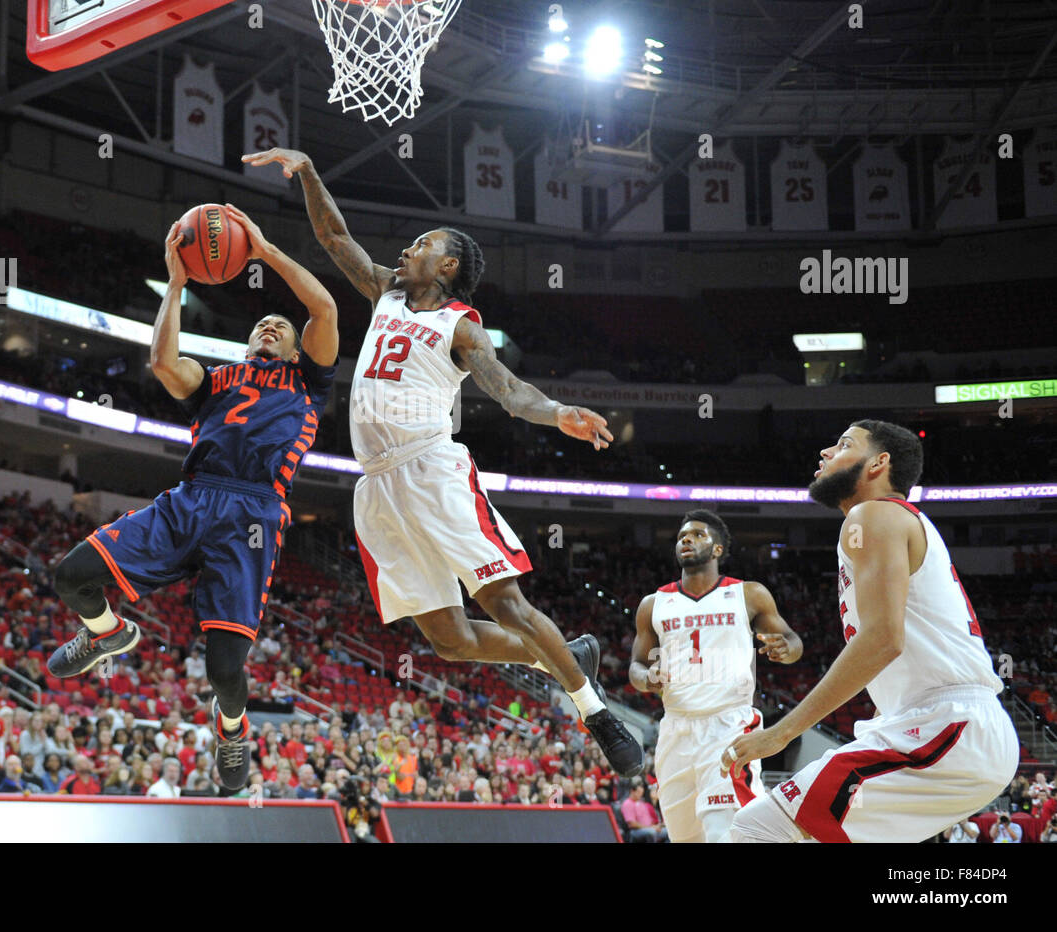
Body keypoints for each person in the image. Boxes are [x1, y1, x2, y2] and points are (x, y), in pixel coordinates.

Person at [247, 145, 641, 779]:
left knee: (507, 605)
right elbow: (333, 235)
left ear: (448, 264)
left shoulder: (462, 326)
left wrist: (558, 411)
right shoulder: (385, 291)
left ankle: (596, 712)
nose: (408, 249)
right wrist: (310, 171)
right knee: (449, 641)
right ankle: (562, 655)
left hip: (432, 471)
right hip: (375, 487)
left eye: (422, 243)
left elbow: (510, 392)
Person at [48, 208, 339, 799]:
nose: (269, 327)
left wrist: (262, 251)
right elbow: (161, 362)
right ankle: (107, 634)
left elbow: (324, 310)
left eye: (279, 325)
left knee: (225, 670)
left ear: (294, 345)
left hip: (254, 514)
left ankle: (232, 731)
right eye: (262, 323)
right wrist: (177, 285)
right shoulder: (216, 379)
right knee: (71, 575)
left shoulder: (309, 382)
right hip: (191, 499)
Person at [725, 421, 1020, 843]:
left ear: (879, 464)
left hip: (949, 726)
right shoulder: (888, 524)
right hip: (947, 729)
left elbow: (883, 640)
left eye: (844, 444)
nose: (825, 452)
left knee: (759, 827)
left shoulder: (874, 514)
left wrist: (781, 733)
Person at [628, 510, 802, 843]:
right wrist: (646, 678)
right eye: (681, 536)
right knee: (684, 838)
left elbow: (793, 642)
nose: (687, 540)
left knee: (727, 834)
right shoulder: (653, 604)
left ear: (718, 549)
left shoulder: (748, 594)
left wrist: (785, 649)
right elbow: (635, 666)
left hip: (728, 725)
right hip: (675, 730)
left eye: (697, 534)